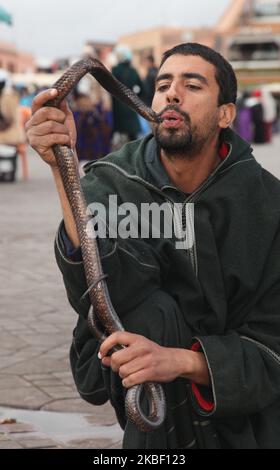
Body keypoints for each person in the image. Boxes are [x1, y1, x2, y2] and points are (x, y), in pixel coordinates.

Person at [26, 43, 280, 449]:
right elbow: (95, 293)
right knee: (149, 310)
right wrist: (63, 167)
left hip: (248, 413)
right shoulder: (113, 181)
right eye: (162, 85)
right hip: (147, 398)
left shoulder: (268, 204)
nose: (171, 94)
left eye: (192, 85)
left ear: (225, 114)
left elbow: (274, 346)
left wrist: (181, 360)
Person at [111, 45, 144, 147]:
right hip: (130, 106)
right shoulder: (133, 71)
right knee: (133, 139)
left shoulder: (115, 70)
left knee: (117, 137)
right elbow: (143, 89)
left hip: (117, 107)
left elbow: (110, 87)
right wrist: (135, 96)